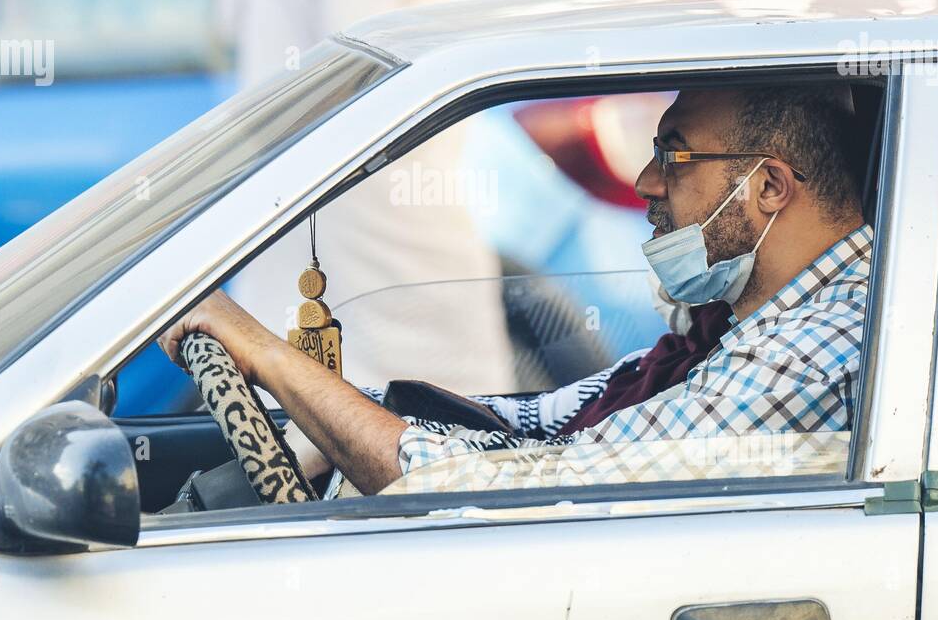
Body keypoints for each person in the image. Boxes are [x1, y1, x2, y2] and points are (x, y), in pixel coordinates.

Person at [161, 84, 873, 495]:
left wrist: (274, 358)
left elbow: (541, 488)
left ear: (770, 187)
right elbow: (542, 422)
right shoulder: (730, 332)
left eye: (672, 156)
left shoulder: (817, 351)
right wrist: (335, 414)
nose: (646, 183)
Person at [216, 0, 516, 397]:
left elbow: (227, 17)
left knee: (302, 392)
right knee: (435, 404)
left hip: (295, 178)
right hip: (379, 192)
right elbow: (374, 53)